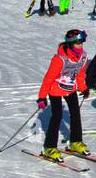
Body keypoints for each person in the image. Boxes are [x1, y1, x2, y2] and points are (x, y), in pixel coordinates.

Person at [37, 29, 92, 161]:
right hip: (55, 90)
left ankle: (75, 142)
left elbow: (79, 75)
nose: (81, 46)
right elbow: (48, 78)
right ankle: (50, 147)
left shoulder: (83, 57)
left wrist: (83, 88)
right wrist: (42, 97)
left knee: (75, 113)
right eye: (78, 43)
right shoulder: (59, 60)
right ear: (71, 44)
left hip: (70, 89)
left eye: (82, 43)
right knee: (57, 116)